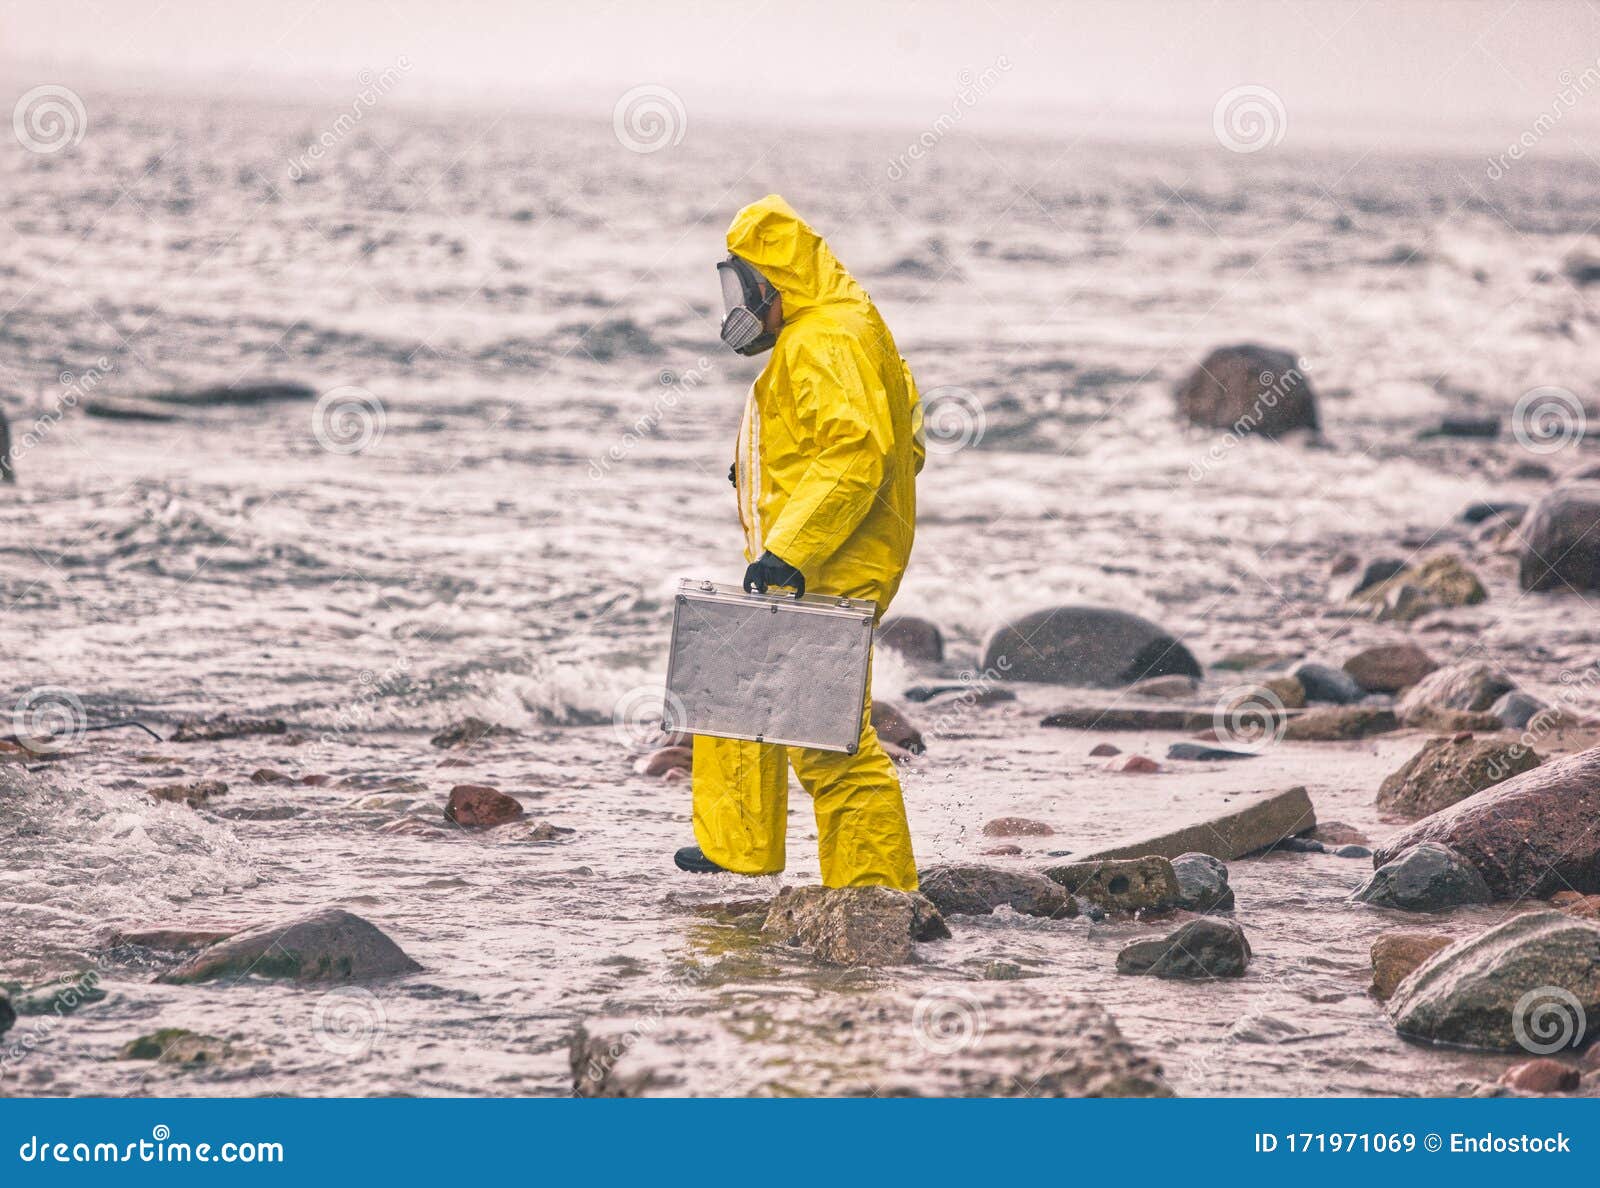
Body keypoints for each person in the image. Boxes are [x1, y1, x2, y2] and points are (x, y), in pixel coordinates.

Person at [674, 194, 924, 890]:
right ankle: (738, 842)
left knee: (831, 749)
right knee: (731, 674)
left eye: (745, 288)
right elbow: (902, 436)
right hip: (825, 557)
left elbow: (854, 454)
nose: (740, 305)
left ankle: (876, 895)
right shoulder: (854, 327)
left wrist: (796, 549)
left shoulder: (823, 340)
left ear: (776, 279)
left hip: (826, 564)